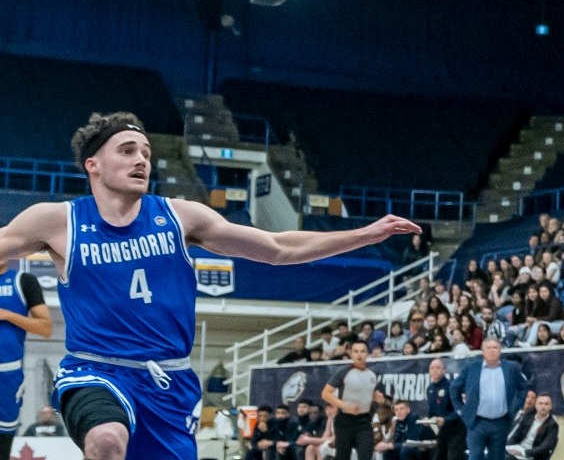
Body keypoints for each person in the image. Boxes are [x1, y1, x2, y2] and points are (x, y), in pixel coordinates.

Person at [0, 112, 418, 460]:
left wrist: (364, 235)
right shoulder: (58, 221)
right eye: (127, 151)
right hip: (95, 370)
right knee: (106, 440)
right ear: (93, 164)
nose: (141, 160)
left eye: (145, 152)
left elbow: (278, 248)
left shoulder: (180, 216)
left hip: (169, 382)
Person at [0, 258, 52, 456]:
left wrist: (8, 315)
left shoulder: (23, 281)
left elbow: (45, 328)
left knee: (4, 440)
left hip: (7, 373)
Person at [454, 338, 527, 460]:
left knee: (497, 457)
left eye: (495, 347)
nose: (492, 350)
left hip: (501, 422)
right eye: (489, 348)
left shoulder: (510, 368)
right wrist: (460, 409)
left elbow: (523, 387)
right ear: (482, 351)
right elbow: (454, 388)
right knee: (475, 456)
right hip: (477, 422)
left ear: (500, 351)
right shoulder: (471, 367)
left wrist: (516, 406)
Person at [322, 340, 381, 460]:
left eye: (362, 351)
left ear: (367, 354)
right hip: (344, 421)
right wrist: (344, 405)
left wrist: (377, 397)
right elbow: (325, 393)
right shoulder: (343, 371)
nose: (359, 354)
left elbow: (369, 393)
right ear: (351, 354)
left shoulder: (372, 374)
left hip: (364, 421)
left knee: (366, 455)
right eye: (356, 351)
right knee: (342, 457)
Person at [503, 396, 557, 460]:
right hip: (517, 451)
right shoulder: (528, 416)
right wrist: (508, 447)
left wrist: (524, 453)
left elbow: (544, 447)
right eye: (540, 403)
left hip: (533, 456)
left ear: (551, 406)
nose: (543, 407)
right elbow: (517, 434)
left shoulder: (553, 425)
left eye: (546, 404)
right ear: (536, 405)